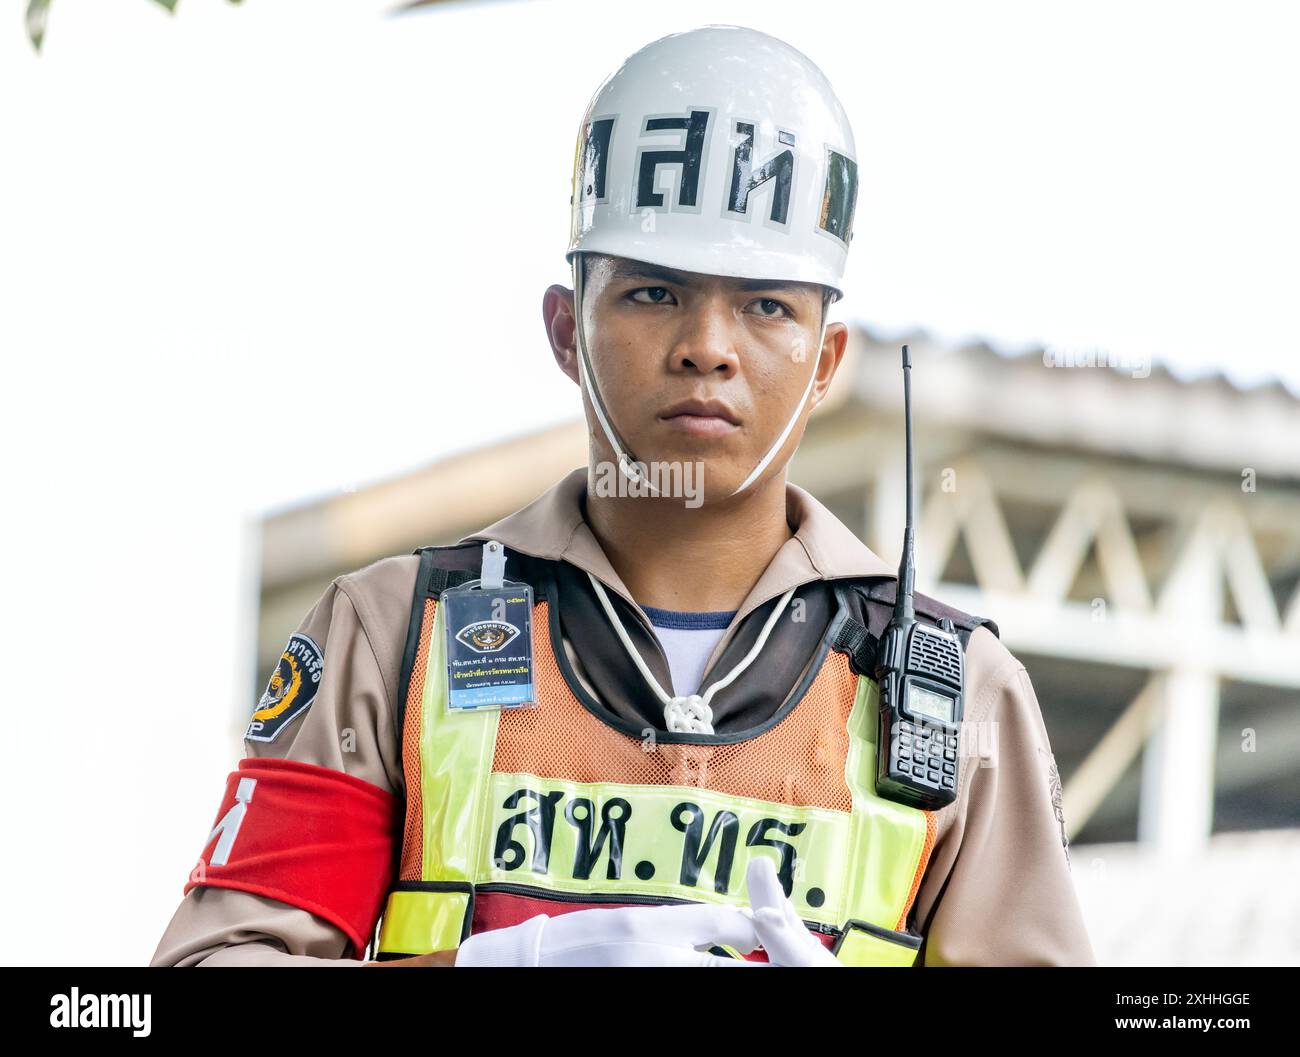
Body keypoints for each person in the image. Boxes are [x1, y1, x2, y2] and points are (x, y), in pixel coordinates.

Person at [152, 24, 1095, 967]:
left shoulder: (959, 691)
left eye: (768, 305)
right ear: (566, 328)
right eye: (652, 292)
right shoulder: (394, 637)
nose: (707, 346)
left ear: (826, 362)